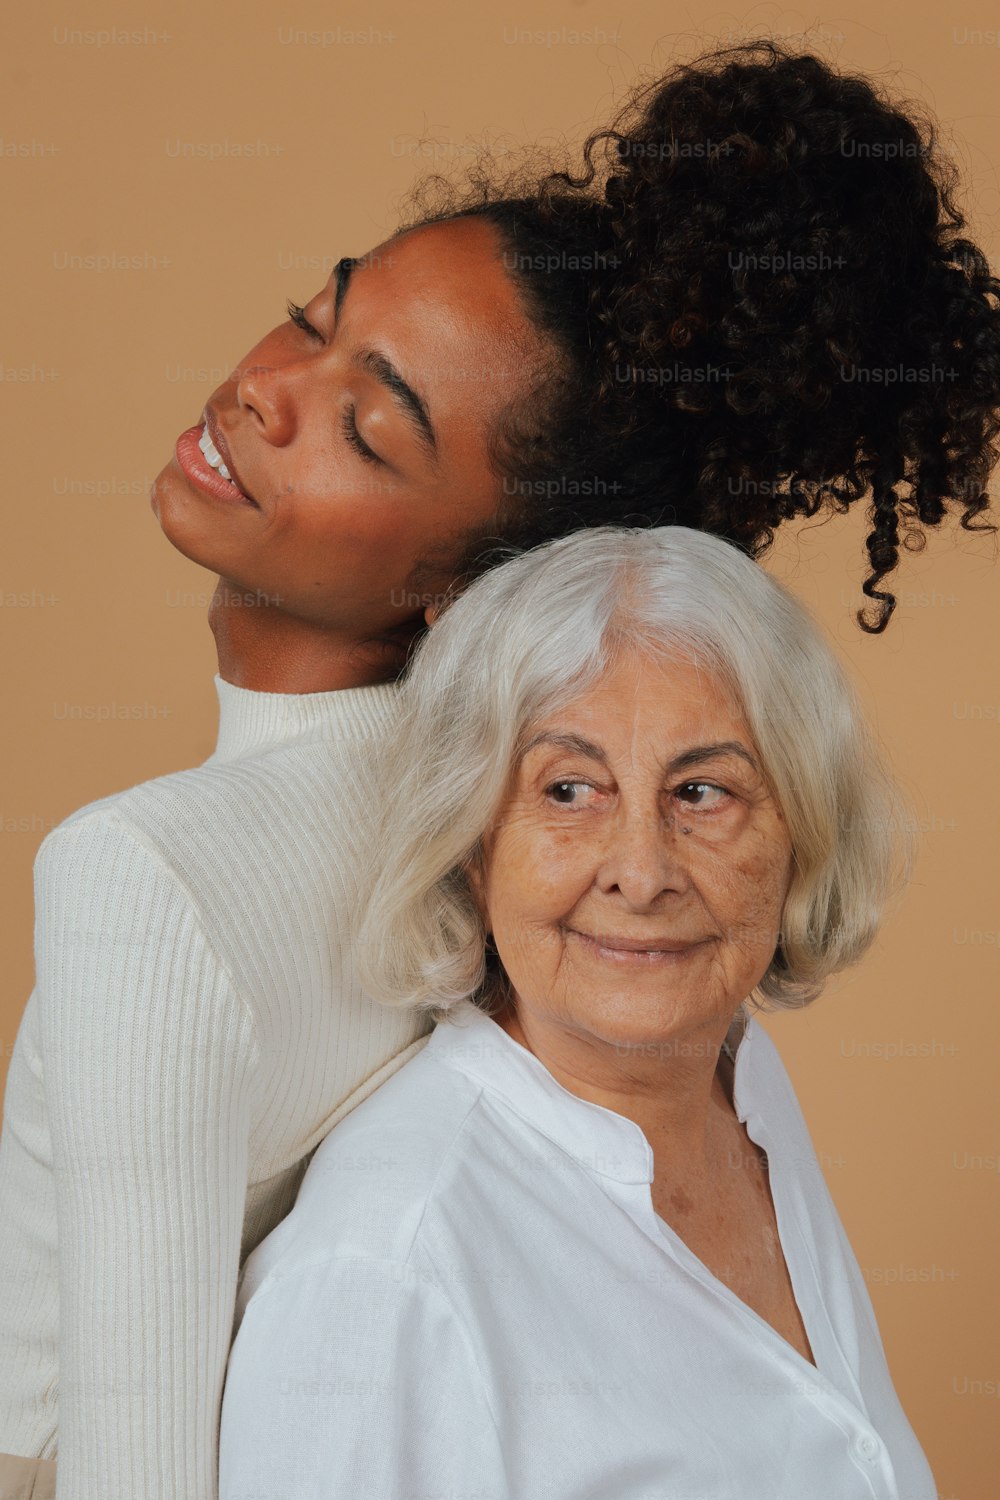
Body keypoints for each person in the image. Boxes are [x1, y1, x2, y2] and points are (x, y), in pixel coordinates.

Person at [2, 36, 994, 1496]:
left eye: (369, 426)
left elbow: (124, 1465)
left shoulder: (162, 875)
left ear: (466, 593)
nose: (265, 389)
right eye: (312, 317)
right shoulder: (535, 853)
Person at [219, 524, 936, 1500]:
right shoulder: (386, 1274)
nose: (641, 874)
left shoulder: (731, 1078)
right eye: (567, 790)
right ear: (470, 841)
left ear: (798, 830)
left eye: (701, 791)